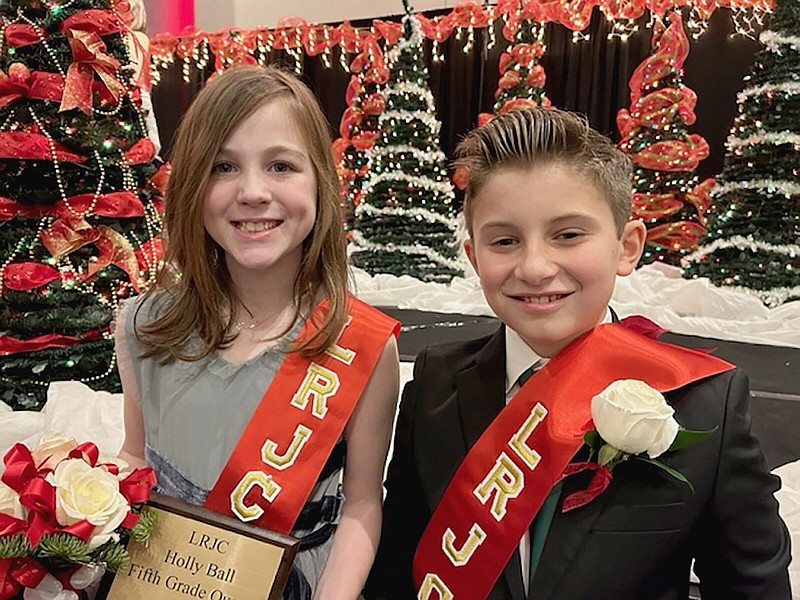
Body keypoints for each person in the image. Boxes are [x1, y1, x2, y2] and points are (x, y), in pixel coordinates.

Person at [364, 107, 790, 599]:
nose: (536, 267)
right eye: (504, 241)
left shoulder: (704, 401)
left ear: (627, 246)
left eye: (567, 235)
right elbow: (398, 565)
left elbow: (753, 585)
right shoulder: (436, 385)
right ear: (474, 257)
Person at [116, 65, 400, 599]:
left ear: (320, 181)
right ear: (193, 186)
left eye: (281, 166)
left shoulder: (360, 343)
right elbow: (136, 455)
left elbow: (363, 499)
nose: (252, 192)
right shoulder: (142, 327)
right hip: (164, 581)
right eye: (223, 166)